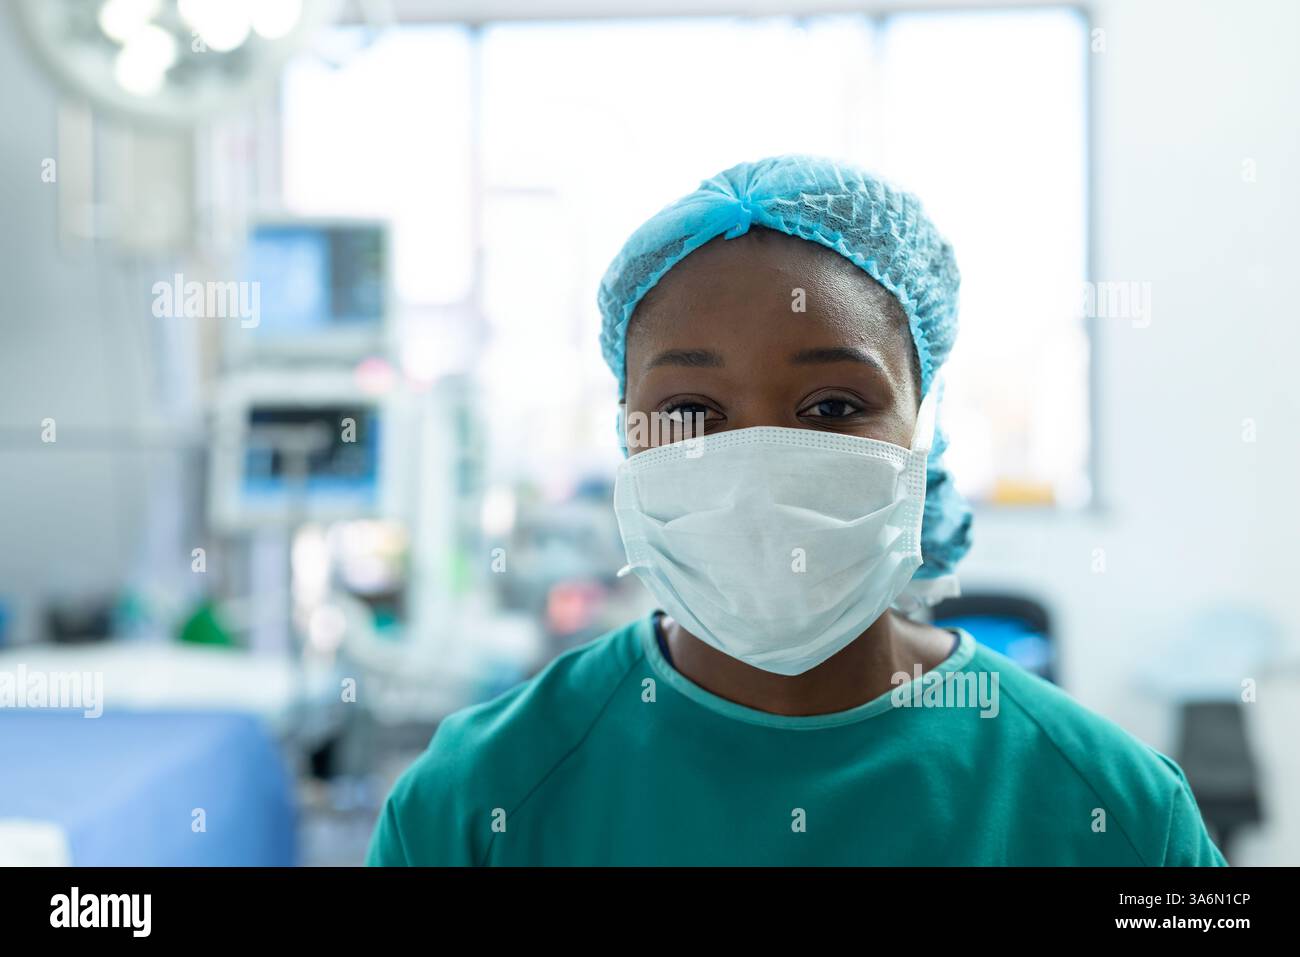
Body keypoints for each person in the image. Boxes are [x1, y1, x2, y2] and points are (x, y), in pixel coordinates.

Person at [367, 155, 1226, 866]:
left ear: (922, 434)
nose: (755, 468)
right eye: (692, 413)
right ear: (626, 431)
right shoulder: (476, 804)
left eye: (832, 408)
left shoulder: (1116, 813)